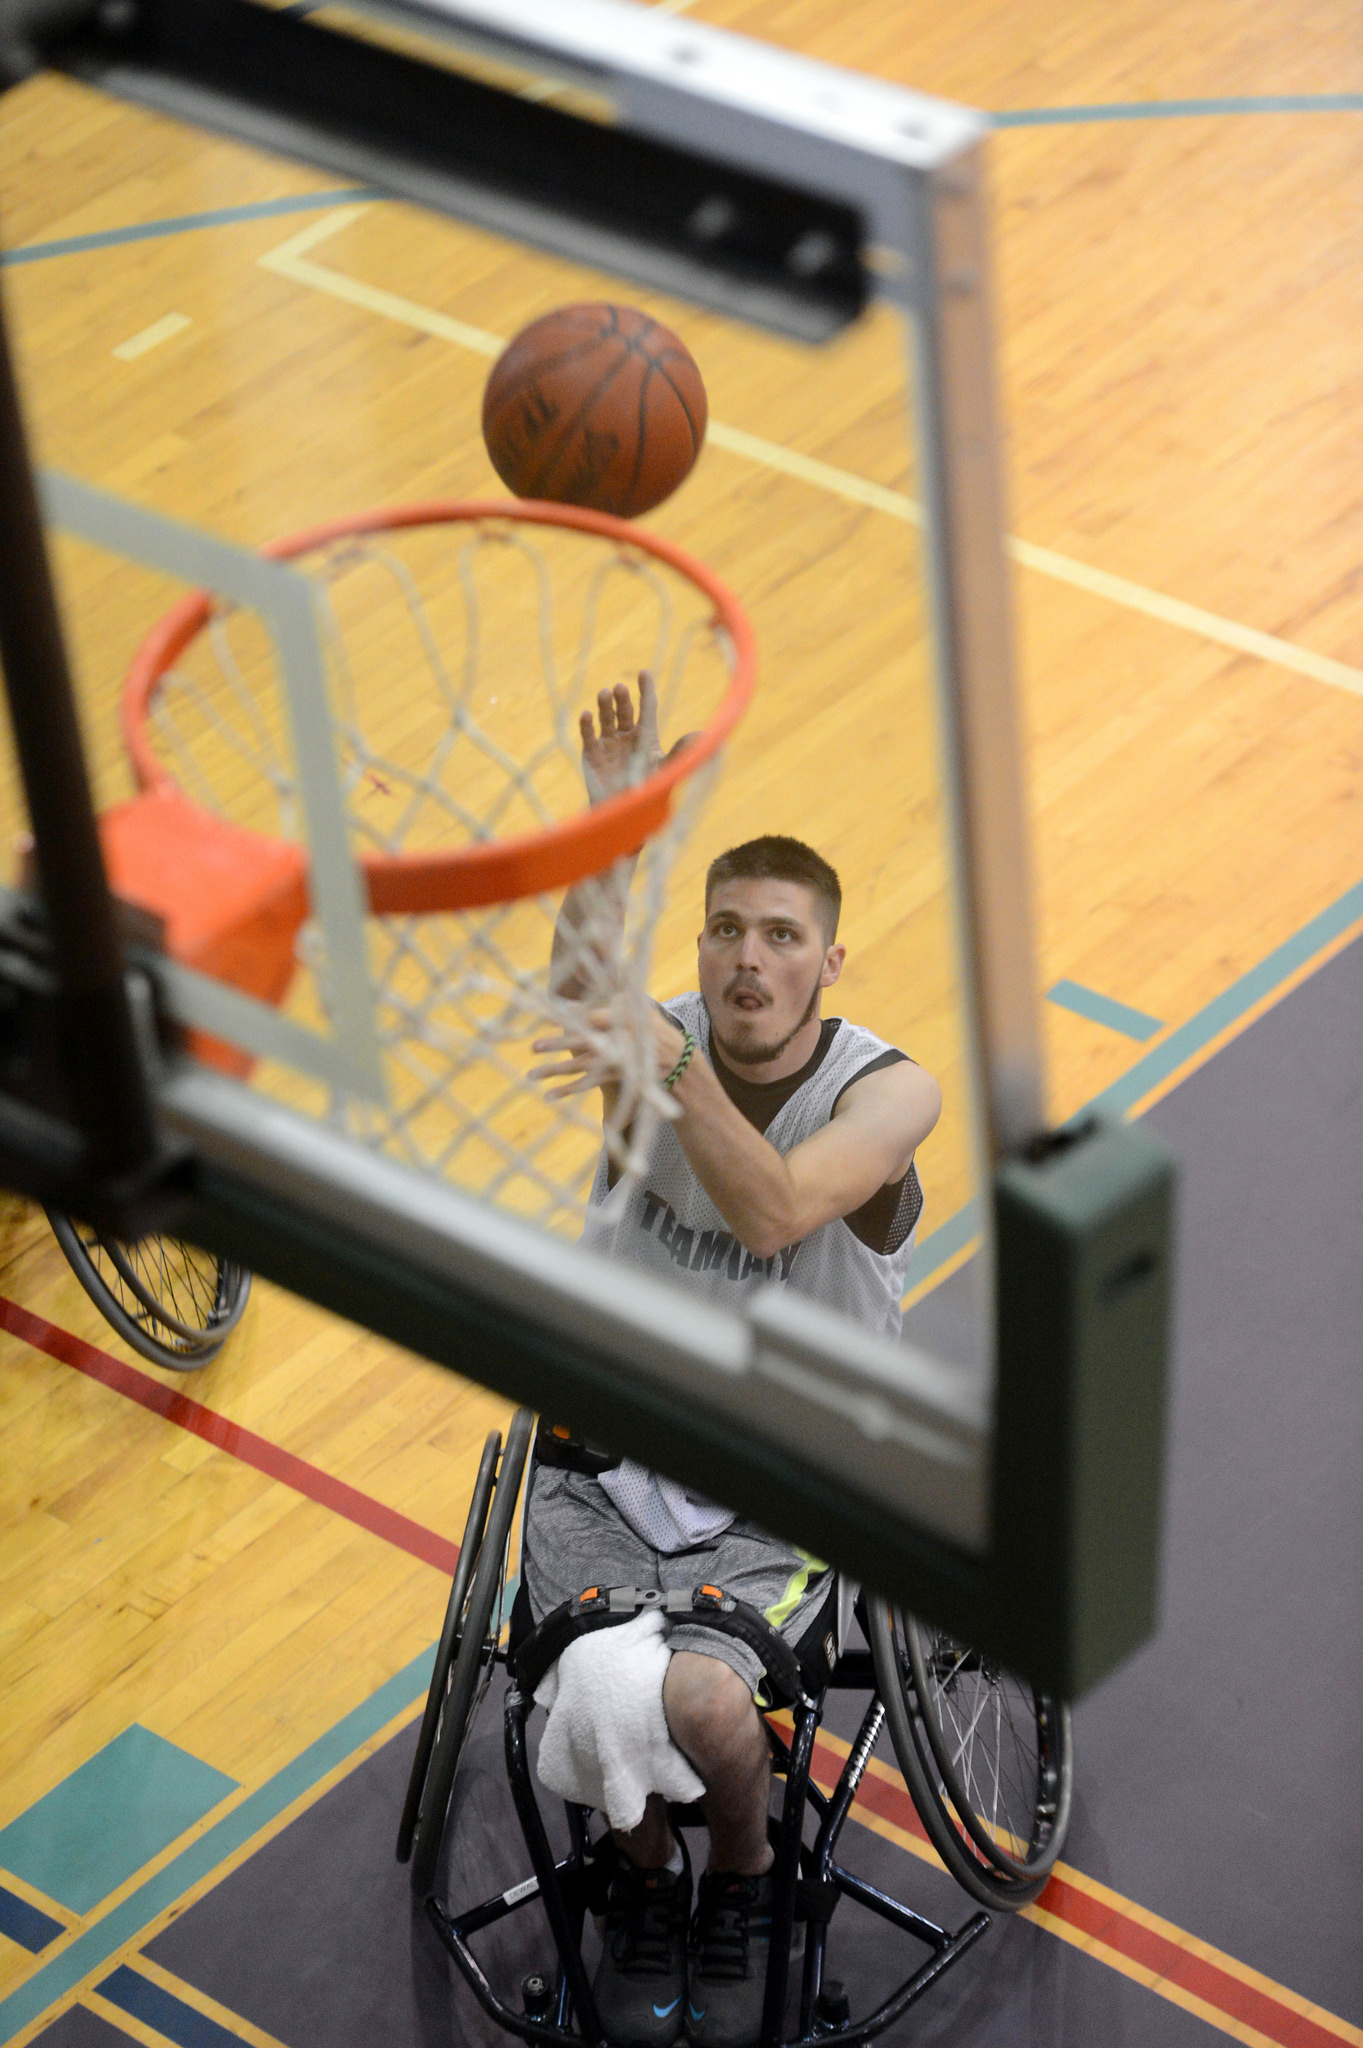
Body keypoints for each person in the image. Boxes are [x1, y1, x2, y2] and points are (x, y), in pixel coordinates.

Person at [527, 676, 942, 2048]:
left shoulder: (887, 1093)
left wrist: (671, 1068)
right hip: (618, 1451)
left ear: (832, 963)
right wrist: (609, 821)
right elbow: (582, 986)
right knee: (583, 1686)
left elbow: (774, 1210)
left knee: (703, 1697)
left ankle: (749, 1875)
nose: (745, 959)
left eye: (781, 937)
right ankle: (644, 1879)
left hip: (787, 1476)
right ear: (698, 951)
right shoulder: (655, 1032)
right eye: (722, 932)